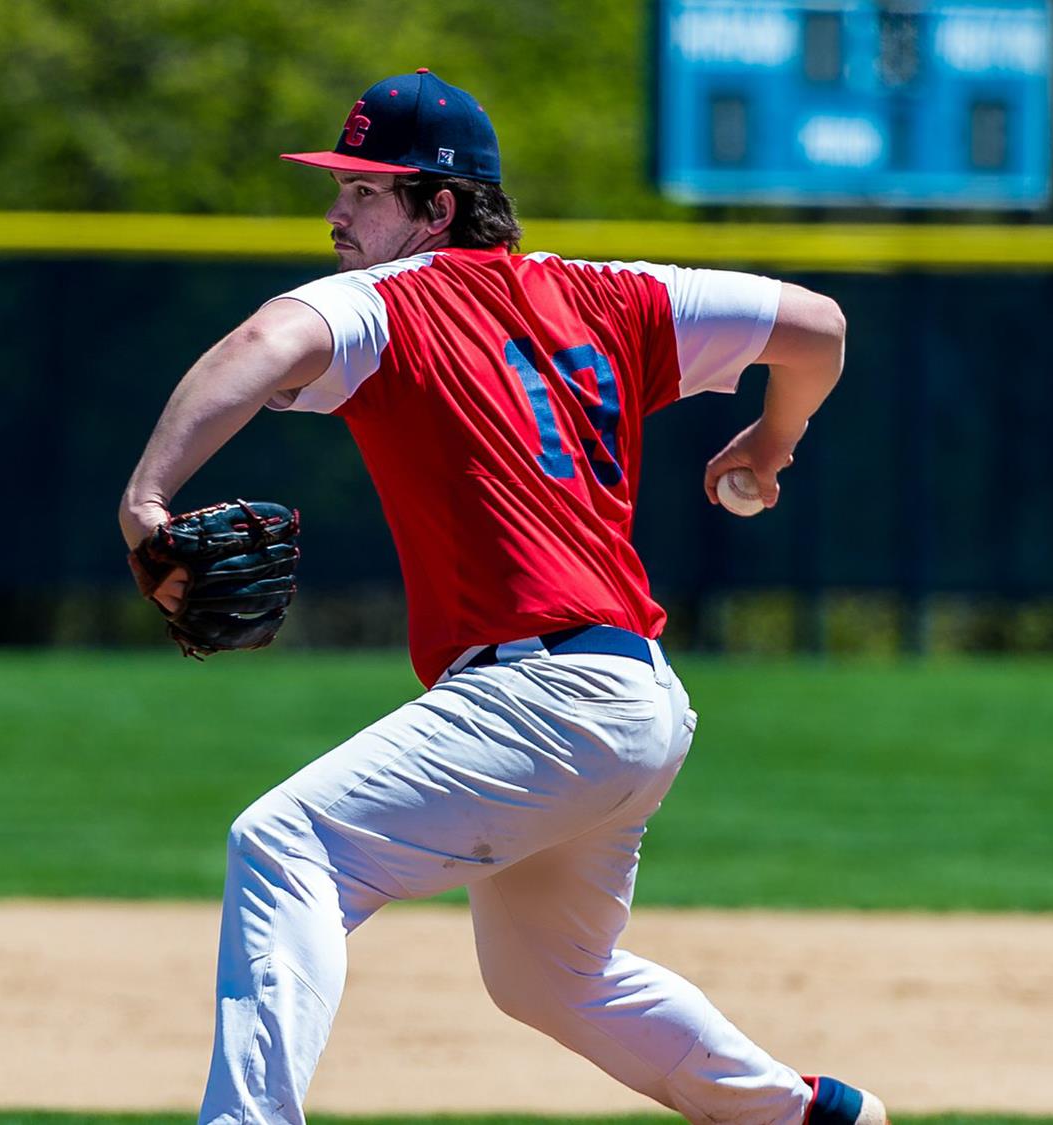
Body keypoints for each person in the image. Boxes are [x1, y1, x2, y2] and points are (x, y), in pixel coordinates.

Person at [118, 69, 874, 1125]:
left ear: (438, 208)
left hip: (542, 698)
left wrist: (147, 499)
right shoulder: (618, 292)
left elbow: (257, 347)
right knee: (548, 976)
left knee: (286, 845)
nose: (337, 212)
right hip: (634, 701)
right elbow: (819, 326)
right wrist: (772, 438)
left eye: (367, 191)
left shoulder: (382, 300)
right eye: (339, 187)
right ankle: (800, 1115)